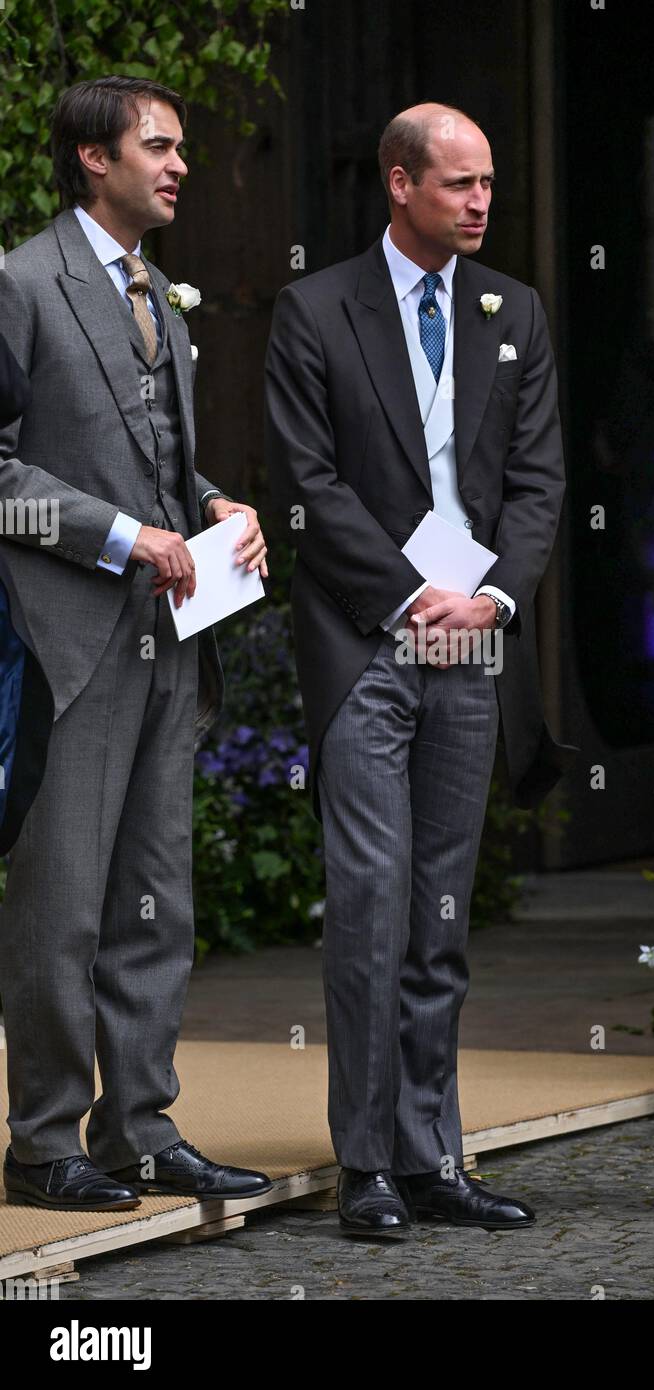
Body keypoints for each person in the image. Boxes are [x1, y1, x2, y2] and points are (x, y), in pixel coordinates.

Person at [265, 102, 572, 1235]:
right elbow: (307, 484)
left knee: (440, 908)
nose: (482, 201)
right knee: (371, 900)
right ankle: (367, 1164)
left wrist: (485, 597)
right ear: (399, 184)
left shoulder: (515, 311)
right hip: (365, 640)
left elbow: (537, 483)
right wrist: (405, 596)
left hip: (475, 640)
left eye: (487, 182)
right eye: (458, 183)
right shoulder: (314, 309)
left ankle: (431, 1153)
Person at [0, 76, 271, 1211]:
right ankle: (43, 1140)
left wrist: (214, 507)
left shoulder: (159, 289)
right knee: (62, 901)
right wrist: (119, 536)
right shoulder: (19, 283)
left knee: (157, 895)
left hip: (169, 638)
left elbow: (148, 456)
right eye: (156, 148)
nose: (178, 166)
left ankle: (140, 1129)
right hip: (66, 641)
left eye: (180, 148)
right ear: (90, 161)